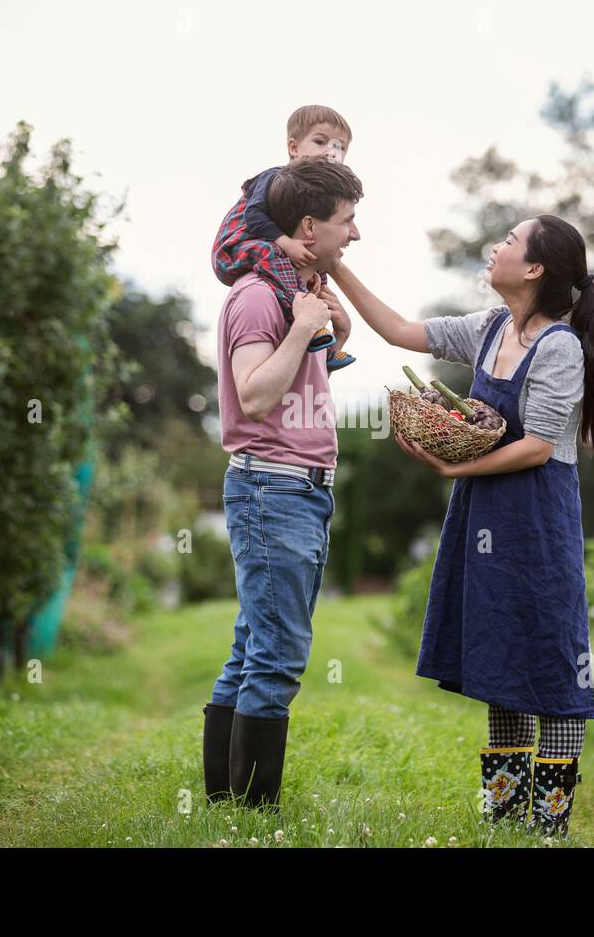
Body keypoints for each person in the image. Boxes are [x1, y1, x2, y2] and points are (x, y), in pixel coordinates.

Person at [330, 214, 594, 837]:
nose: (496, 247)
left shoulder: (561, 346)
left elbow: (539, 445)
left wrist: (453, 469)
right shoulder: (488, 329)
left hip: (538, 519)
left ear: (536, 268)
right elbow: (403, 331)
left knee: (550, 656)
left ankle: (548, 821)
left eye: (510, 242)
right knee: (500, 653)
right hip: (485, 513)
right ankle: (503, 812)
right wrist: (334, 266)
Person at [203, 155, 363, 809]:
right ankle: (253, 807)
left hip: (300, 491)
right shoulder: (255, 297)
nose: (354, 235)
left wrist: (329, 332)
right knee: (278, 653)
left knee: (254, 645)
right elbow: (255, 394)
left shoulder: (298, 295)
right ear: (308, 224)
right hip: (271, 491)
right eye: (347, 221)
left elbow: (293, 386)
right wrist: (302, 328)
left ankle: (225, 801)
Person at [211, 104, 358, 371]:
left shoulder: (307, 195)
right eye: (320, 141)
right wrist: (285, 242)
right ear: (293, 148)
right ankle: (306, 326)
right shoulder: (276, 178)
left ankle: (325, 348)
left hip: (270, 245)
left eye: (339, 147)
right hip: (237, 245)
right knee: (279, 257)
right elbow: (254, 217)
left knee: (316, 271)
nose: (330, 151)